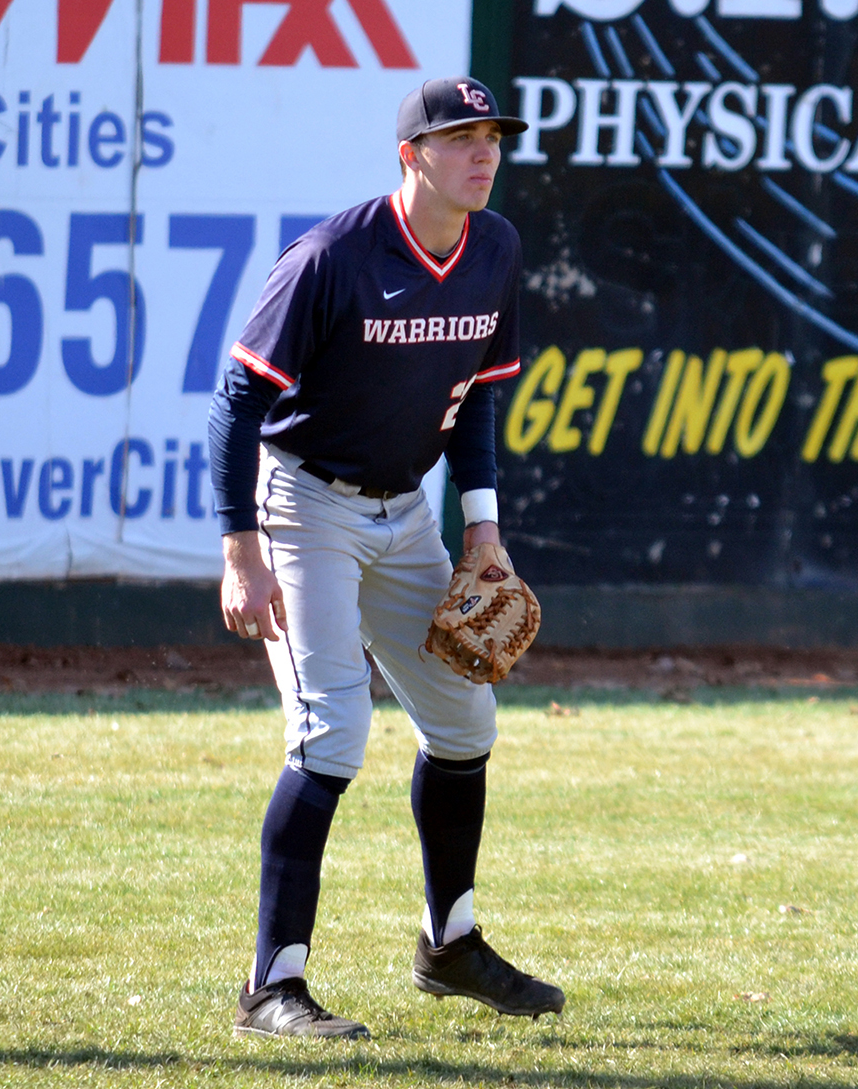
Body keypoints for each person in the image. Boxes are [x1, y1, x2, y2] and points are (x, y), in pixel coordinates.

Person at [207, 76, 562, 1040]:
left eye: (492, 136)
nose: (484, 153)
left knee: (464, 716)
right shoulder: (334, 256)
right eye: (461, 138)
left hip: (407, 515)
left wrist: (481, 525)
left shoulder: (494, 247)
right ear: (411, 156)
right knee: (331, 735)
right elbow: (239, 401)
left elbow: (478, 391)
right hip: (305, 507)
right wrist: (241, 550)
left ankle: (450, 944)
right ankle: (271, 986)